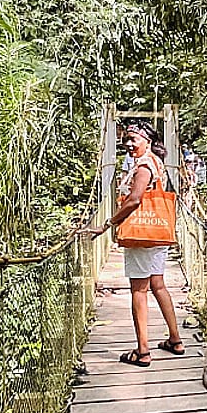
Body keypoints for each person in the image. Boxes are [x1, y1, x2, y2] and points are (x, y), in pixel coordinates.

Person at [82, 119, 184, 367]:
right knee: (158, 284)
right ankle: (175, 340)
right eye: (126, 139)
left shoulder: (144, 166)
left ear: (147, 141)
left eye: (133, 139)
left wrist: (109, 224)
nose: (128, 143)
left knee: (139, 290)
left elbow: (135, 199)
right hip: (158, 231)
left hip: (142, 236)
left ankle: (143, 351)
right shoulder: (155, 161)